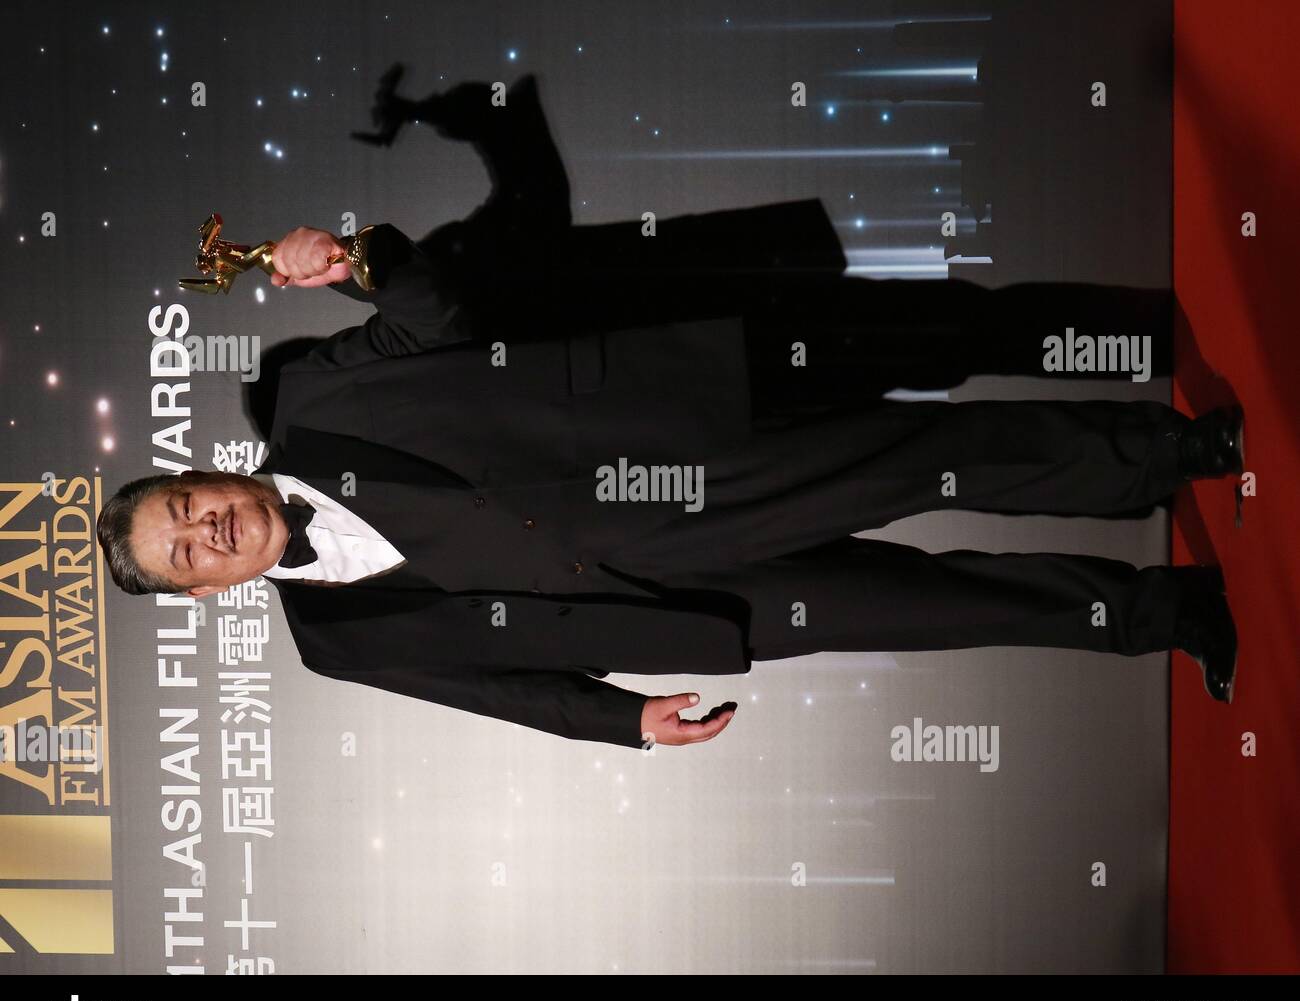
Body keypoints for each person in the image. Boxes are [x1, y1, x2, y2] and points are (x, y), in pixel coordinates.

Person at [97, 72, 1241, 749]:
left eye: (186, 505)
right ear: (206, 591)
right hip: (687, 590)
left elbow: (437, 312)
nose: (204, 530)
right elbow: (490, 687)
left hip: (688, 444)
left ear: (202, 472)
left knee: (939, 454)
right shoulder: (333, 644)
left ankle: (1172, 451)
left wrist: (346, 256)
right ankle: (1166, 610)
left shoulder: (311, 395)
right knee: (935, 604)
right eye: (187, 552)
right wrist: (623, 724)